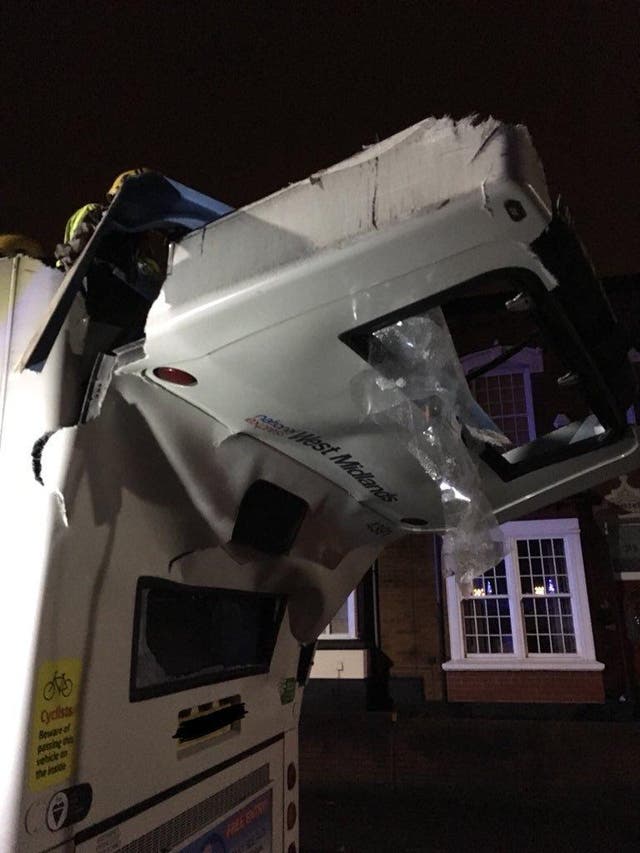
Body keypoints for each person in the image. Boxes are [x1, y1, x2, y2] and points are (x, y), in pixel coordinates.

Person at [55, 169, 168, 348]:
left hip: (124, 331)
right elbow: (75, 255)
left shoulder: (142, 250)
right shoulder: (95, 213)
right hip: (91, 315)